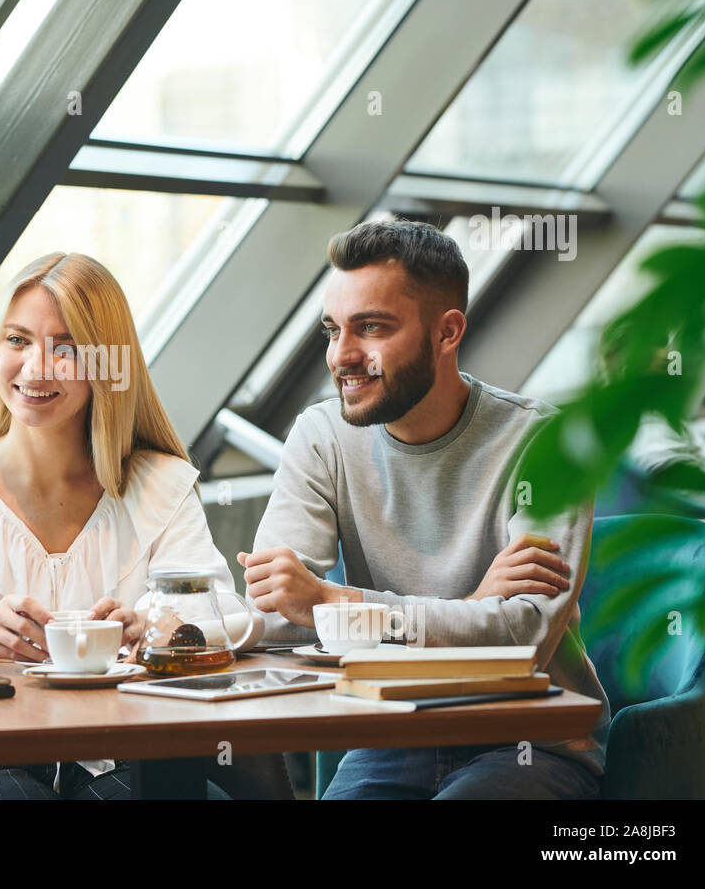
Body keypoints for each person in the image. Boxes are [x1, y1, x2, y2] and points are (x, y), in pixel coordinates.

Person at [243, 219, 610, 799]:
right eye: (333, 330)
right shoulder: (321, 437)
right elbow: (277, 617)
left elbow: (525, 636)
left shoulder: (546, 443)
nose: (342, 356)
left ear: (447, 332)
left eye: (371, 328)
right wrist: (470, 608)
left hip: (530, 740)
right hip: (393, 732)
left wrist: (337, 604)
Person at [0, 252, 238, 799]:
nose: (37, 367)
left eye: (66, 348)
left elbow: (224, 614)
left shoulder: (160, 485)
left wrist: (152, 626)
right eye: (17, 340)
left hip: (125, 752)